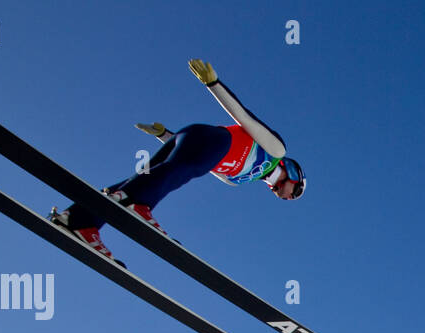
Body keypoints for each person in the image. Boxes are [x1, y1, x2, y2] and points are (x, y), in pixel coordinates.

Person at [51, 58, 304, 261]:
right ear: (294, 175)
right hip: (212, 137)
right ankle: (137, 202)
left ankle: (78, 221)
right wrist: (214, 84)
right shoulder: (276, 151)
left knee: (143, 177)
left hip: (190, 139)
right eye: (295, 193)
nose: (289, 197)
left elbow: (191, 162)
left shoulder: (238, 180)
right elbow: (244, 118)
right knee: (180, 172)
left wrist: (165, 135)